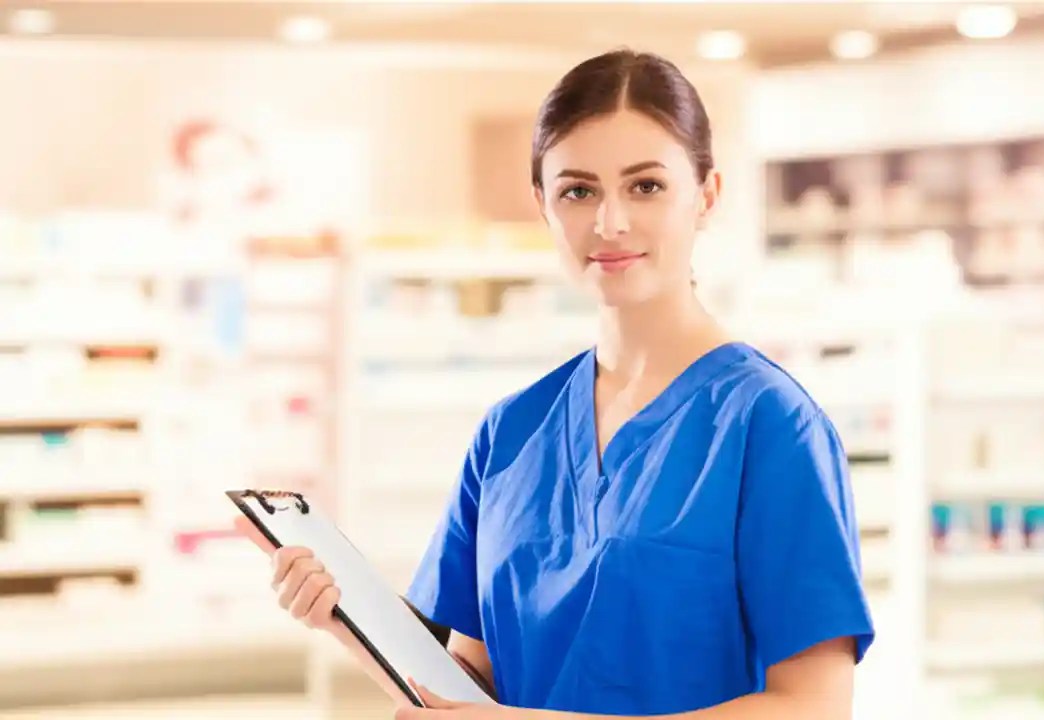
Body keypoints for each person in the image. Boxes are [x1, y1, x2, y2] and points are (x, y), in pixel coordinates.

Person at [237, 48, 875, 720]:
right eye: (578, 191)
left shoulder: (768, 425)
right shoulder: (511, 432)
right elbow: (474, 685)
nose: (610, 223)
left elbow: (812, 708)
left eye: (646, 186)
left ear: (706, 195)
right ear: (542, 203)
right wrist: (349, 618)